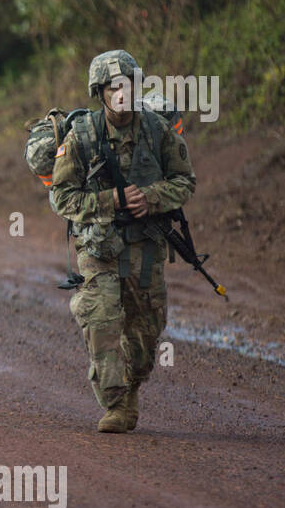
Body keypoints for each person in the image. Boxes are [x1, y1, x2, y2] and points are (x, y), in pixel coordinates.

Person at [48, 50, 196, 433]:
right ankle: (115, 402)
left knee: (145, 339)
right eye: (113, 87)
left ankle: (129, 392)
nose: (121, 93)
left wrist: (152, 197)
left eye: (127, 85)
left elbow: (185, 181)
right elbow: (62, 197)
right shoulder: (82, 136)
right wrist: (110, 200)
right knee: (102, 318)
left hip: (146, 246)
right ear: (100, 92)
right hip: (99, 247)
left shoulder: (159, 131)